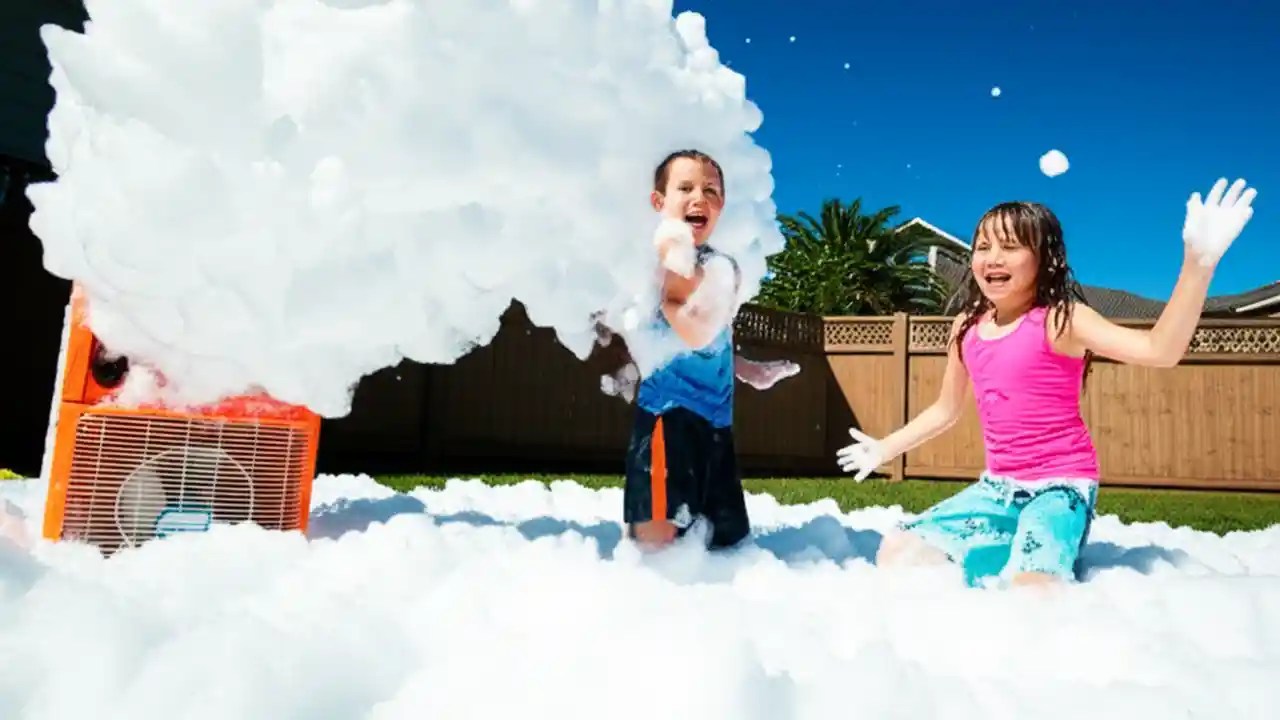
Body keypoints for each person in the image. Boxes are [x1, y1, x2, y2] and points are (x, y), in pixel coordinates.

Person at [837, 177, 1258, 588]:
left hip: (1060, 487)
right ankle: (1003, 550)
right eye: (983, 247)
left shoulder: (1062, 319)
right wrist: (885, 447)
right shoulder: (966, 328)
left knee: (1033, 585)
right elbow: (946, 408)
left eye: (1011, 246)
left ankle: (1040, 550)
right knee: (899, 551)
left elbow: (1159, 351)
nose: (992, 257)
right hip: (998, 490)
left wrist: (1197, 265)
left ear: (1047, 260)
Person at [618, 148, 799, 551]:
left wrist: (747, 369)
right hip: (668, 419)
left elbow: (709, 338)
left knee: (724, 544)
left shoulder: (718, 265)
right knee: (660, 545)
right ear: (658, 202)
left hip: (717, 426)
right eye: (685, 188)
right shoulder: (651, 265)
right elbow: (688, 329)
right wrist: (672, 261)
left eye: (712, 190)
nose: (700, 197)